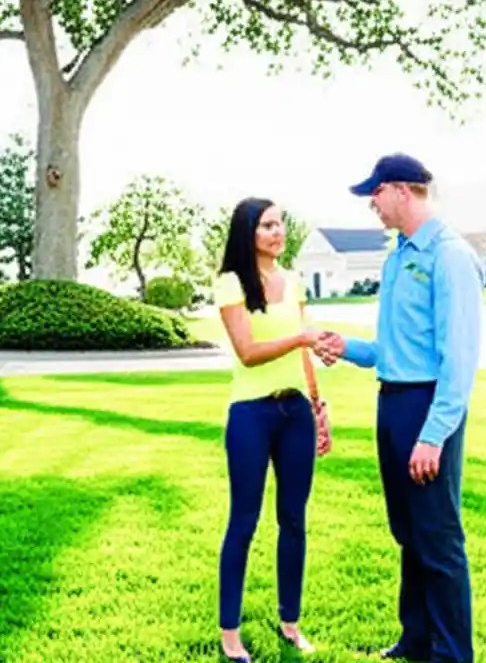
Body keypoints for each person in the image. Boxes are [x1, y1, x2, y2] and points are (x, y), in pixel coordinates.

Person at [316, 154, 483, 663]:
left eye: (376, 192)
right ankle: (416, 638)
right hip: (392, 404)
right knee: (408, 531)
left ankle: (453, 653)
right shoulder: (397, 257)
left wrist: (434, 435)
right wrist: (346, 347)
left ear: (402, 191)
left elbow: (459, 356)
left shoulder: (448, 255)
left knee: (438, 538)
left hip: (426, 408)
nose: (372, 203)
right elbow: (393, 351)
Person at [213, 197, 334, 662]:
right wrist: (302, 336)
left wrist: (318, 404)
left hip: (295, 415)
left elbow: (305, 354)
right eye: (267, 225)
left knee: (294, 520)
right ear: (248, 232)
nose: (277, 232)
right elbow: (248, 351)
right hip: (250, 415)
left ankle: (290, 622)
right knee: (243, 522)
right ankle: (230, 634)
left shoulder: (295, 280)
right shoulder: (231, 283)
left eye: (280, 224)